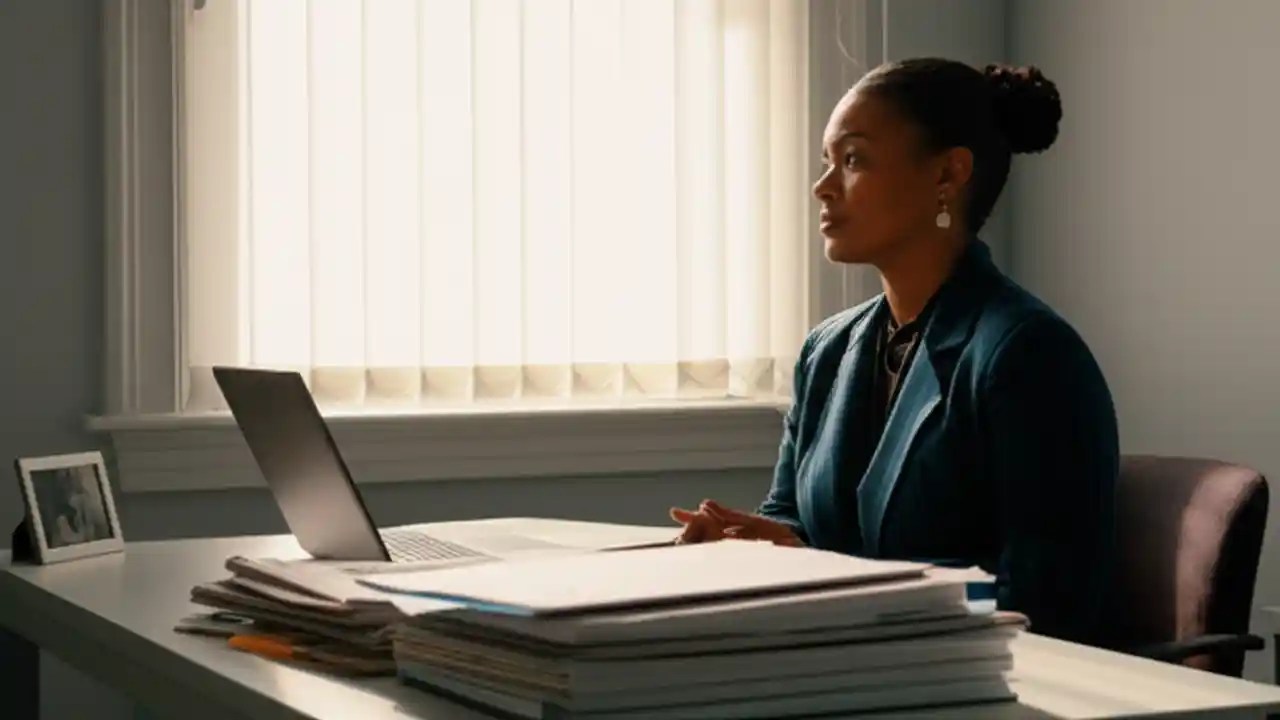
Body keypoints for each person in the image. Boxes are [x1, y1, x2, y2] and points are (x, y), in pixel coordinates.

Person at [670, 58, 1118, 647]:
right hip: (847, 672)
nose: (823, 185)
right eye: (827, 161)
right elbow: (793, 519)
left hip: (983, 685)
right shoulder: (826, 351)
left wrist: (840, 584)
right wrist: (749, 544)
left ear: (948, 174)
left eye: (853, 160)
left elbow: (1042, 599)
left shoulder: (1028, 354)